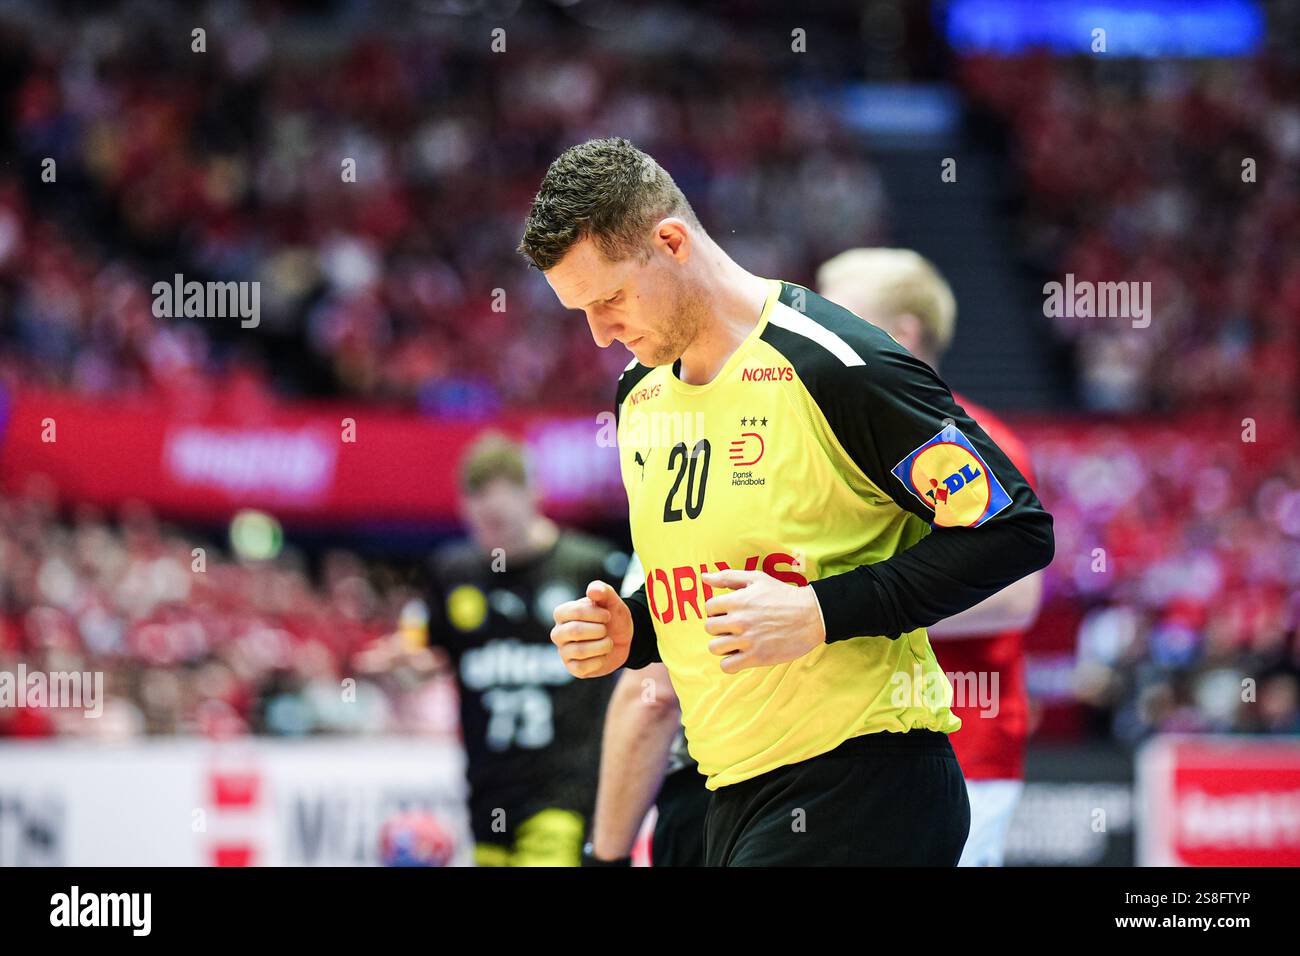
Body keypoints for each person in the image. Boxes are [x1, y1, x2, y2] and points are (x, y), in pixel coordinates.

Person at [519, 137, 1054, 866]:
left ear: (671, 242)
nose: (601, 332)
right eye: (580, 311)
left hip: (867, 782)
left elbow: (1016, 530)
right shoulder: (639, 397)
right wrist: (634, 632)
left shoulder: (838, 364)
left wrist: (823, 611)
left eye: (609, 299)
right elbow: (715, 595)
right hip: (729, 789)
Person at [817, 247, 1043, 867]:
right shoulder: (836, 438)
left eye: (842, 320)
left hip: (964, 745)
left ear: (903, 334)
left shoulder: (967, 439)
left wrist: (843, 611)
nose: (818, 337)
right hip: (856, 743)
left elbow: (1016, 594)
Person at [390, 432, 624, 866]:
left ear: (533, 495)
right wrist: (403, 667)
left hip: (567, 791)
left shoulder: (587, 567)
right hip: (487, 794)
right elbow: (428, 659)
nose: (488, 534)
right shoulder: (453, 573)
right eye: (479, 523)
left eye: (498, 521)